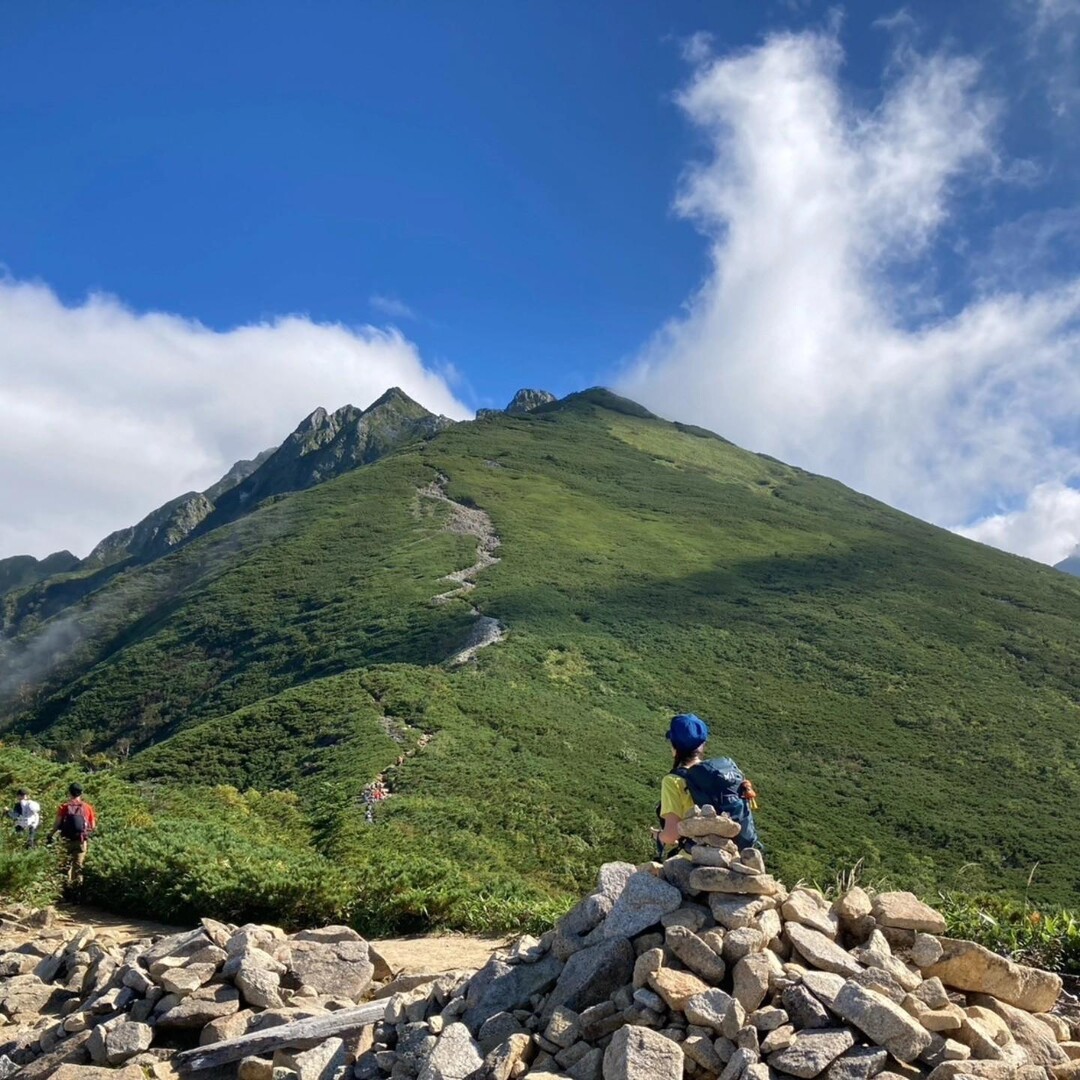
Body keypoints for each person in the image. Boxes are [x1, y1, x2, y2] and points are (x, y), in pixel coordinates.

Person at [652, 713, 758, 857]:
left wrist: (658, 836)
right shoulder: (722, 772)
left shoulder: (673, 781)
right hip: (733, 855)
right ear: (702, 745)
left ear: (673, 746)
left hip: (697, 858)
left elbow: (671, 835)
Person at [46, 783, 97, 887]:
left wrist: (50, 834)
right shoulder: (87, 807)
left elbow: (57, 824)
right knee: (78, 866)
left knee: (64, 866)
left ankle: (64, 890)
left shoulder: (64, 807)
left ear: (69, 793)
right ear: (81, 793)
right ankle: (77, 891)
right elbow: (92, 826)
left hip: (66, 840)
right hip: (81, 841)